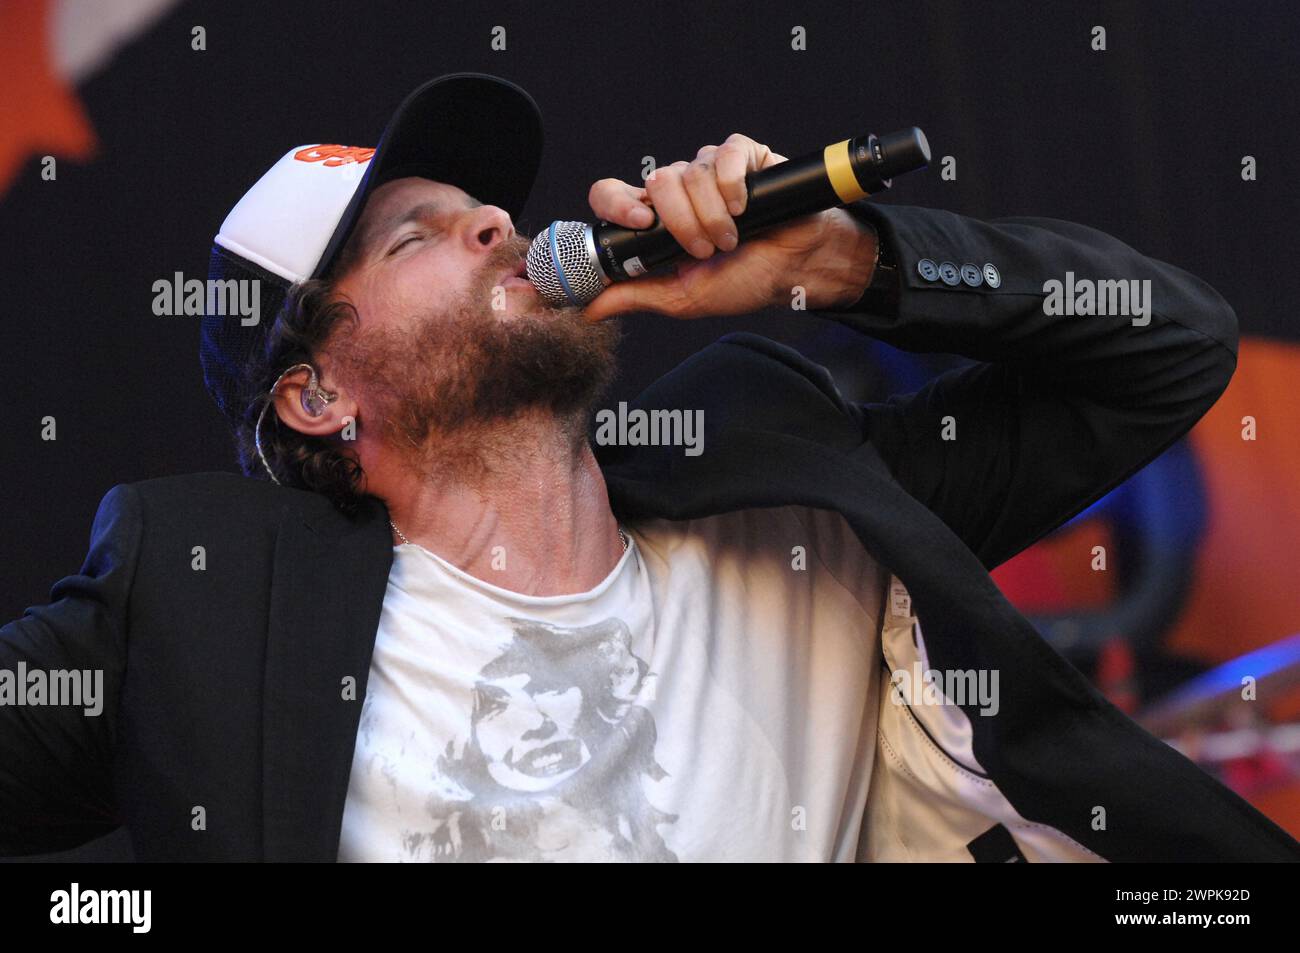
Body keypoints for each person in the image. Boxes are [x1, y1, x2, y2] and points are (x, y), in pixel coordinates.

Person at [2, 73, 1296, 862]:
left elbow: (1169, 346)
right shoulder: (199, 595)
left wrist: (841, 264)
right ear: (320, 392)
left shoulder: (782, 477)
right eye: (417, 236)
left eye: (483, 205)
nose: (502, 221)